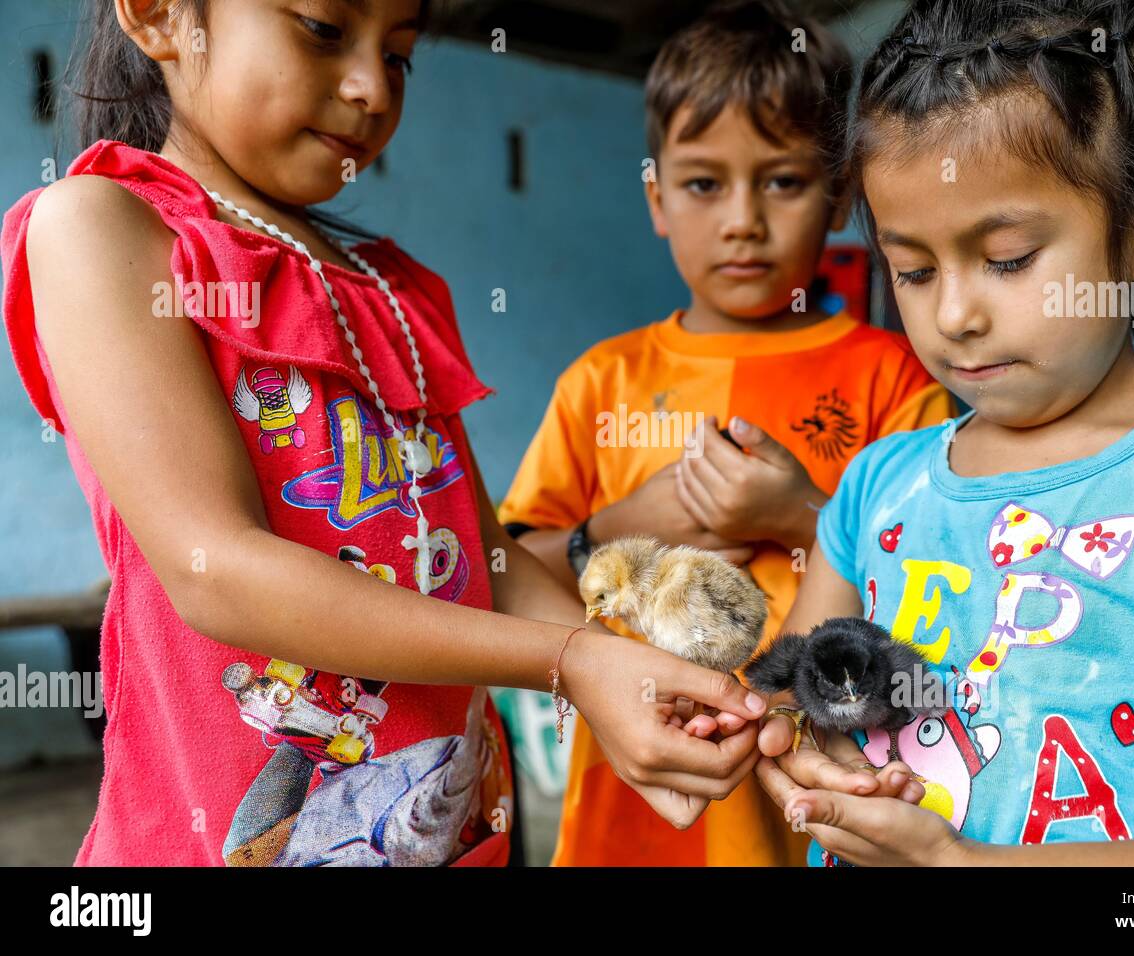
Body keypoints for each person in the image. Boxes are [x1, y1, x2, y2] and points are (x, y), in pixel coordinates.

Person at [0, 0, 769, 867]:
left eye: (399, 56)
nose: (371, 89)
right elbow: (215, 570)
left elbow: (491, 561)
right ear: (159, 15)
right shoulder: (104, 227)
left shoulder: (393, 290)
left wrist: (620, 675)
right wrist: (569, 662)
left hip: (446, 826)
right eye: (325, 30)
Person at [754, 0, 1134, 865]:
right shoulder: (875, 486)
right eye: (915, 270)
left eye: (1006, 259)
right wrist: (792, 756)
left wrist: (962, 864)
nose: (955, 315)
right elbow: (800, 701)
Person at [498, 0, 955, 866]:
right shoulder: (604, 381)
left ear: (838, 195)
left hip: (828, 798)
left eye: (782, 181)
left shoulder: (893, 377)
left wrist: (805, 520)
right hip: (630, 800)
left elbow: (944, 597)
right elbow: (502, 569)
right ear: (657, 197)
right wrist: (625, 528)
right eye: (705, 183)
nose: (742, 218)